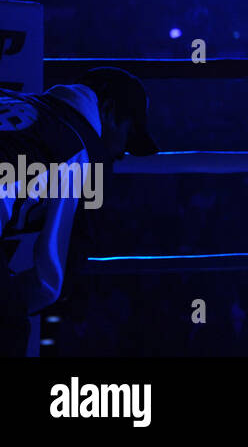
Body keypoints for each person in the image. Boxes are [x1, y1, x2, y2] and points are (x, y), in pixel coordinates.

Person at [0, 67, 158, 356]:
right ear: (108, 111)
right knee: (8, 326)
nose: (123, 152)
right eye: (128, 134)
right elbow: (51, 281)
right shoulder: (87, 153)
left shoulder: (13, 99)